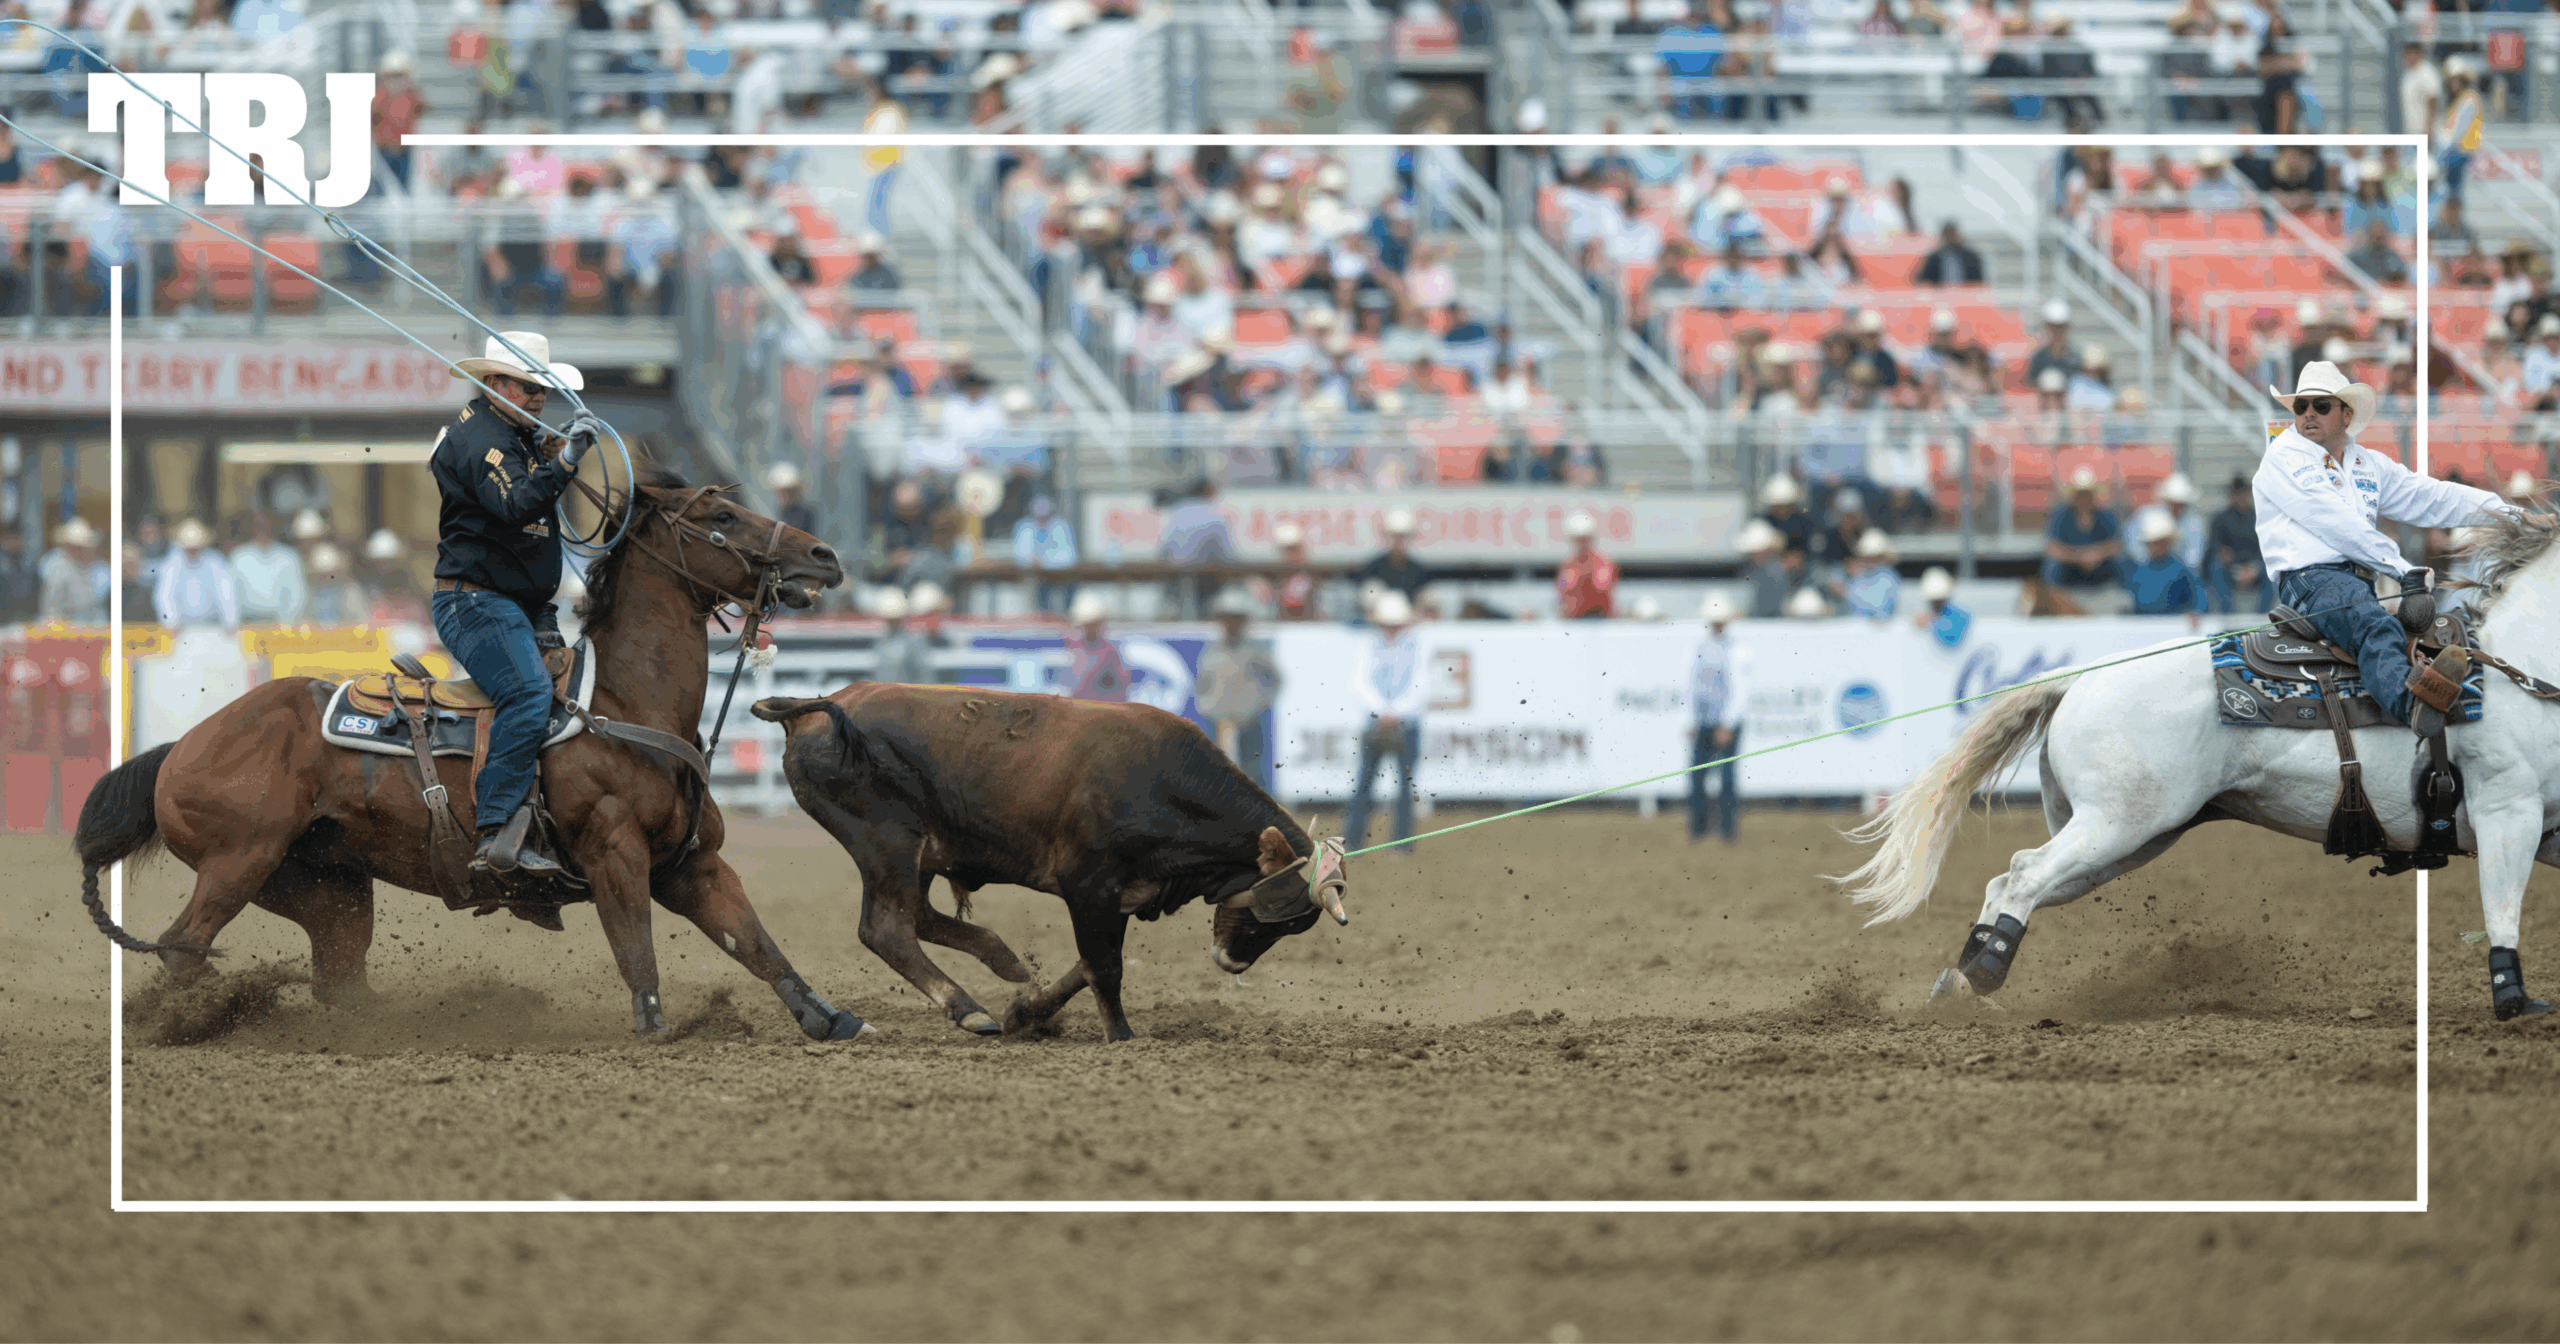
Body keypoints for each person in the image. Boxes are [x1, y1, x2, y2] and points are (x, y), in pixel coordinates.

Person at [2258, 360, 2507, 737]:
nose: (2308, 414)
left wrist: (2513, 516)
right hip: (2311, 582)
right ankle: (2414, 705)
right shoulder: (2285, 457)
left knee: (2409, 628)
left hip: (2353, 582)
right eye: (2301, 406)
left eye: (2321, 406)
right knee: (2375, 627)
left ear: (2346, 413)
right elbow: (2338, 525)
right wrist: (2402, 570)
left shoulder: (2366, 464)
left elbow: (2431, 497)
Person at [428, 331, 598, 874]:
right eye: (526, 387)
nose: (537, 398)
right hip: (477, 604)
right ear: (492, 384)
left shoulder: (508, 434)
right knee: (528, 693)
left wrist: (550, 456)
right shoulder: (484, 441)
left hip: (517, 603)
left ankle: (547, 825)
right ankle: (496, 831)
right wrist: (567, 459)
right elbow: (516, 502)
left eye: (541, 389)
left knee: (567, 696)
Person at [1343, 590, 1427, 856]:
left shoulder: (1418, 646)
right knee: (1364, 784)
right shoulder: (1368, 645)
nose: (1391, 629)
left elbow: (1422, 684)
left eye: (1396, 624)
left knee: (1405, 787)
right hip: (1377, 723)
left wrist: (1395, 711)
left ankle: (1402, 844)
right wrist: (1383, 710)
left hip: (1406, 724)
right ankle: (1353, 842)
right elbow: (1359, 683)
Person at [1197, 588, 1281, 782]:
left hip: (1247, 719)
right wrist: (1208, 707)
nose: (1231, 623)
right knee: (1218, 771)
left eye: (1236, 618)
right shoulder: (1212, 649)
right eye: (1227, 618)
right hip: (1218, 719)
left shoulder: (1255, 649)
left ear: (1244, 621)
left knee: (1252, 771)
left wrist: (1260, 703)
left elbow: (1275, 679)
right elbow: (1203, 683)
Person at [1687, 594, 1750, 845]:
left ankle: (1727, 830)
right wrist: (1691, 720)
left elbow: (1741, 690)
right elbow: (1689, 686)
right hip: (1703, 720)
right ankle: (1698, 828)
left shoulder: (1739, 649)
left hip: (1727, 723)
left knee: (1726, 778)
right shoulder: (1699, 648)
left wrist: (1728, 723)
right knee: (1697, 778)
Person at [2040, 468, 2126, 614]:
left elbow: (2116, 546)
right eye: (2081, 494)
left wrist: (2097, 554)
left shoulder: (2106, 517)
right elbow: (2052, 548)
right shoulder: (2060, 517)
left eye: (2087, 493)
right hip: (2068, 589)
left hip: (2103, 588)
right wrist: (2082, 556)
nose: (2084, 498)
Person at [153, 519, 241, 630]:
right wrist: (171, 621)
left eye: (196, 548)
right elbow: (165, 596)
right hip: (181, 628)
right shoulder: (171, 565)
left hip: (214, 626)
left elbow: (226, 593)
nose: (193, 551)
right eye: (189, 548)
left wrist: (230, 620)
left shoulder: (215, 562)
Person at [227, 510, 308, 626]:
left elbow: (297, 594)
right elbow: (231, 592)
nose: (263, 529)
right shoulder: (239, 556)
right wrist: (234, 621)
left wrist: (286, 621)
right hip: (247, 621)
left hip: (280, 622)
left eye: (266, 525)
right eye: (259, 526)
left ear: (273, 527)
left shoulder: (288, 557)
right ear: (252, 528)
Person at [2125, 511, 2208, 620]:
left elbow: (2199, 597)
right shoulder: (2139, 571)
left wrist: (2197, 613)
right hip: (2143, 626)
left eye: (2159, 542)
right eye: (2152, 542)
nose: (2156, 546)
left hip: (2173, 625)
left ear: (2168, 543)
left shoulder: (2181, 569)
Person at [2206, 472, 2266, 614]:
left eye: (2243, 493)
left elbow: (2267, 547)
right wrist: (2224, 554)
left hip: (2255, 566)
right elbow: (2214, 544)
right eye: (2236, 493)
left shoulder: (2259, 518)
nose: (2240, 497)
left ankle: (2263, 615)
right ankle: (2228, 614)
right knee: (2215, 566)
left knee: (2274, 571)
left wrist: (2254, 567)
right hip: (2230, 567)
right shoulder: (2220, 519)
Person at [1012, 494, 1078, 615]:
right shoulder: (1026, 527)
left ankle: (1067, 618)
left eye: (1045, 517)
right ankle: (1041, 618)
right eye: (1039, 517)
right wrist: (1032, 561)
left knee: (1071, 586)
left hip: (1060, 575)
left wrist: (1044, 561)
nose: (1042, 520)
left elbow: (1070, 556)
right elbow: (1019, 555)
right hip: (1034, 576)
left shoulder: (1061, 526)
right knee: (1038, 586)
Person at [1355, 508, 1431, 604]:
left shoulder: (1418, 572)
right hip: (1378, 617)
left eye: (1402, 536)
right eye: (1395, 536)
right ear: (1388, 537)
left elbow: (1422, 601)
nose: (1398, 541)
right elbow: (1367, 598)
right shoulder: (1372, 569)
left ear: (1409, 538)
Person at [1064, 591, 1128, 701]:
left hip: (1100, 710)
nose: (1090, 628)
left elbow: (1119, 688)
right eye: (1087, 624)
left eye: (1093, 624)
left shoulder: (1109, 652)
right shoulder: (1075, 649)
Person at [1555, 511, 1617, 618]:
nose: (1581, 544)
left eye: (1584, 539)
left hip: (1601, 621)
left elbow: (1601, 589)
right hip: (1574, 622)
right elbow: (1563, 595)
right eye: (1578, 540)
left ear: (1591, 539)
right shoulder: (1568, 565)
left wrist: (1583, 575)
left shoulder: (1603, 564)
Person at [868, 588, 934, 684]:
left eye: (894, 619)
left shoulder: (913, 640)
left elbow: (924, 675)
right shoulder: (881, 640)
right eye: (889, 619)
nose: (891, 622)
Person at [1839, 528, 1901, 619]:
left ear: (1882, 557)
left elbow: (1878, 607)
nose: (1870, 561)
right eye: (1867, 558)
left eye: (1874, 557)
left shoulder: (1888, 578)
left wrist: (1846, 591)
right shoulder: (1859, 577)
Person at [1914, 565, 1970, 647]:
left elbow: (1952, 639)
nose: (1935, 603)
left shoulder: (1960, 615)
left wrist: (1932, 623)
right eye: (1933, 600)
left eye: (1938, 600)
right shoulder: (1926, 616)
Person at [1916, 221, 1985, 285]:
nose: (1950, 237)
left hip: (1966, 295)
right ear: (1943, 236)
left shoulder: (1971, 257)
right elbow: (1921, 279)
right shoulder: (1934, 258)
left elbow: (1979, 280)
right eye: (1948, 234)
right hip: (1940, 295)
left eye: (1952, 234)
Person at [766, 462, 819, 538]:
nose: (786, 495)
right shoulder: (777, 513)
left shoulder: (805, 515)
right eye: (783, 492)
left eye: (789, 491)